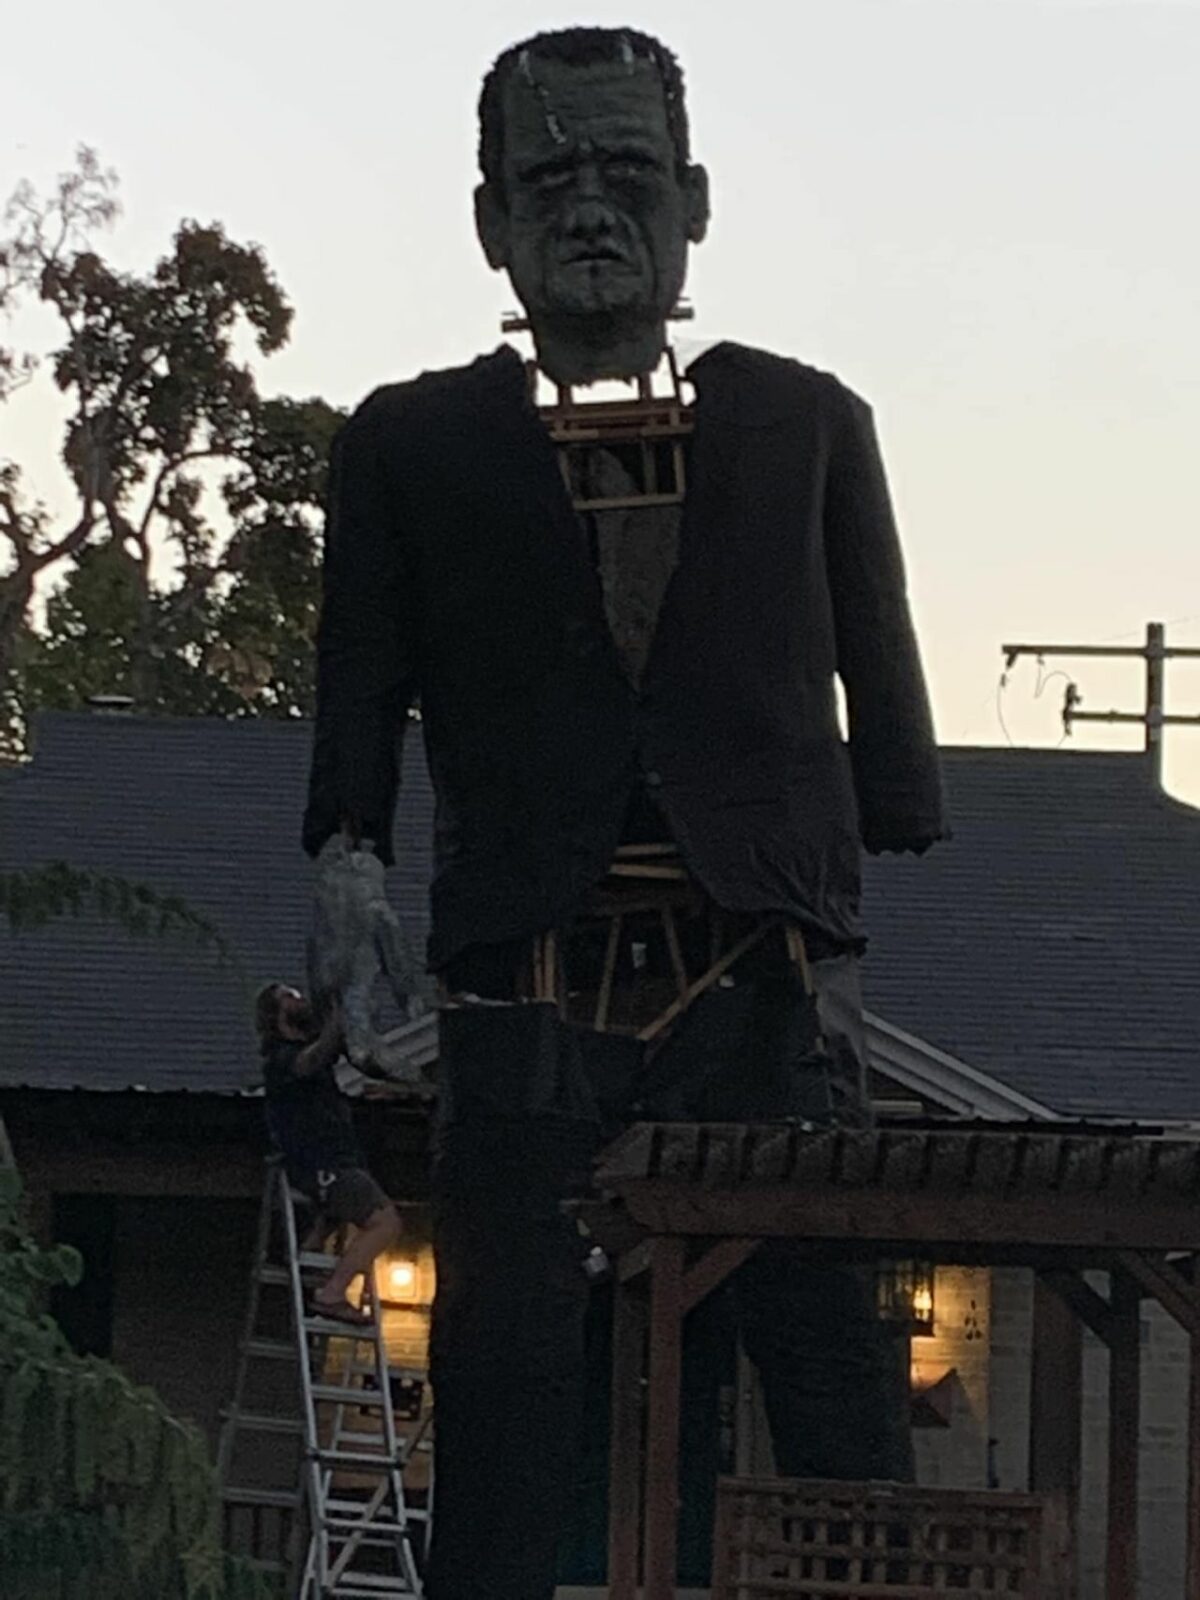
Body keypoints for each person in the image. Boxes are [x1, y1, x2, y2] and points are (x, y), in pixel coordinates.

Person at [303, 26, 945, 1598]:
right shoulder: (410, 445)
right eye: (552, 179)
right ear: (491, 221)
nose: (592, 212)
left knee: (830, 1375)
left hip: (762, 983)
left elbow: (884, 672)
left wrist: (854, 898)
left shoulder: (804, 427)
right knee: (512, 1382)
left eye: (629, 176)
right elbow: (358, 687)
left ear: (696, 203)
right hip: (525, 989)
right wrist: (349, 853)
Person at [255, 982, 401, 1324]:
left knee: (329, 1223)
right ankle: (332, 1293)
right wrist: (338, 1020)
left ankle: (310, 1277)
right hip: (324, 1164)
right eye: (289, 997)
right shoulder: (282, 1057)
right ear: (275, 1014)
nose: (300, 999)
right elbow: (312, 1059)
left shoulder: (302, 1053)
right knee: (385, 1221)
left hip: (332, 1161)